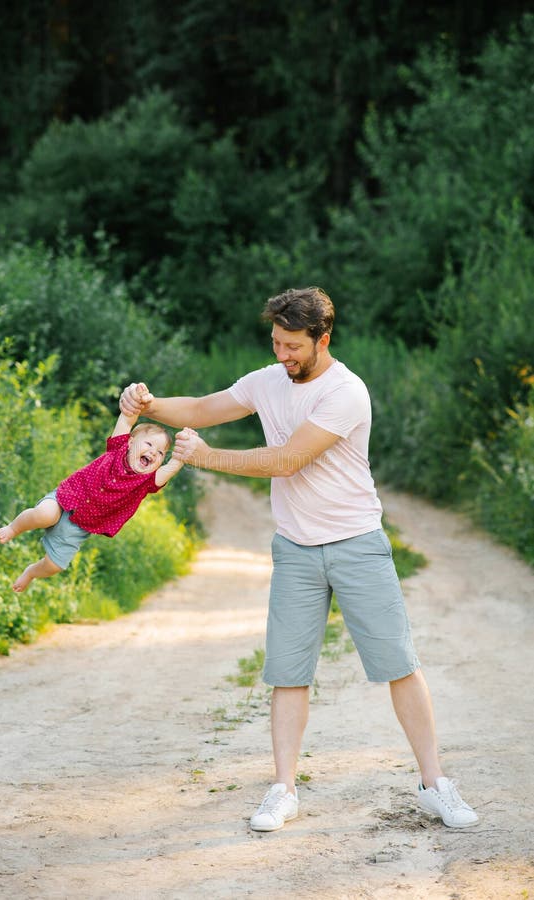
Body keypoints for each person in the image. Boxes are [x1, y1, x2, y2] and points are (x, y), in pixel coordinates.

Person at [120, 287, 478, 832]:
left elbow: (287, 460)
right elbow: (200, 409)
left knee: (399, 665)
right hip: (295, 550)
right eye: (276, 343)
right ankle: (283, 790)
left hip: (358, 543)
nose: (282, 355)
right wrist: (146, 405)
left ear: (322, 339)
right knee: (288, 673)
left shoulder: (346, 392)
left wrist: (207, 457)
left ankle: (436, 785)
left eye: (292, 346)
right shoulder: (267, 381)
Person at [0, 384, 187, 593]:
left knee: (54, 566)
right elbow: (126, 418)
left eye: (160, 453)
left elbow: (171, 467)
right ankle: (14, 528)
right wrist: (138, 399)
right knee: (44, 515)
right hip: (67, 499)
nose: (153, 453)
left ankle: (31, 572)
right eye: (149, 444)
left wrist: (182, 453)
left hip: (80, 526)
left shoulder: (146, 482)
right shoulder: (118, 448)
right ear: (131, 442)